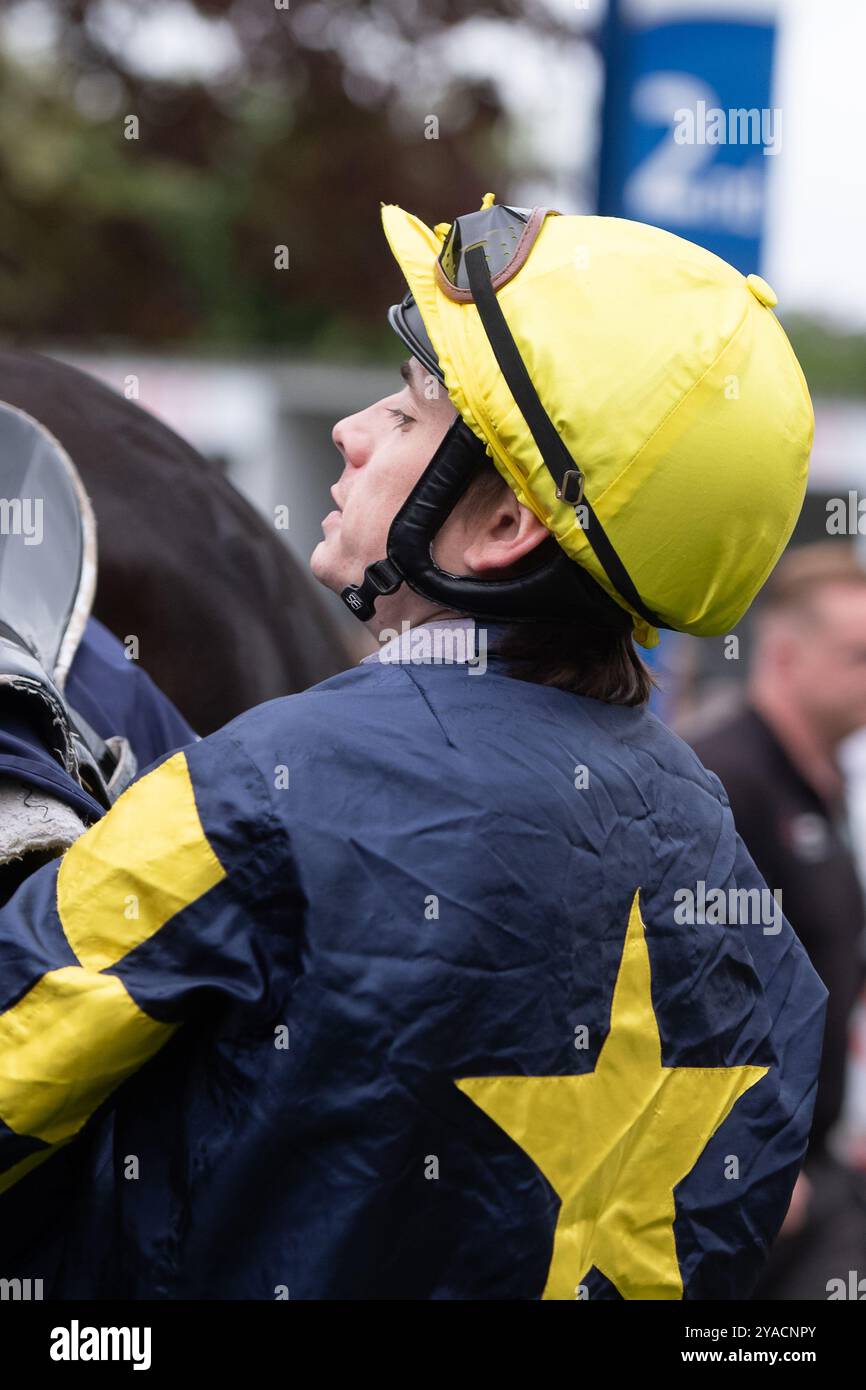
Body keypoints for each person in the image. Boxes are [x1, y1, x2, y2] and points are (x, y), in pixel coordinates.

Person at [0, 195, 827, 1299]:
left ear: (500, 530)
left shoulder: (254, 793)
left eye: (403, 414)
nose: (349, 432)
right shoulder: (757, 934)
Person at [690, 543, 866, 1298]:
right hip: (751, 1183)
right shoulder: (724, 782)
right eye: (858, 657)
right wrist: (747, 1155)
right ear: (788, 657)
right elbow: (685, 986)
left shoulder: (821, 783)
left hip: (816, 1160)